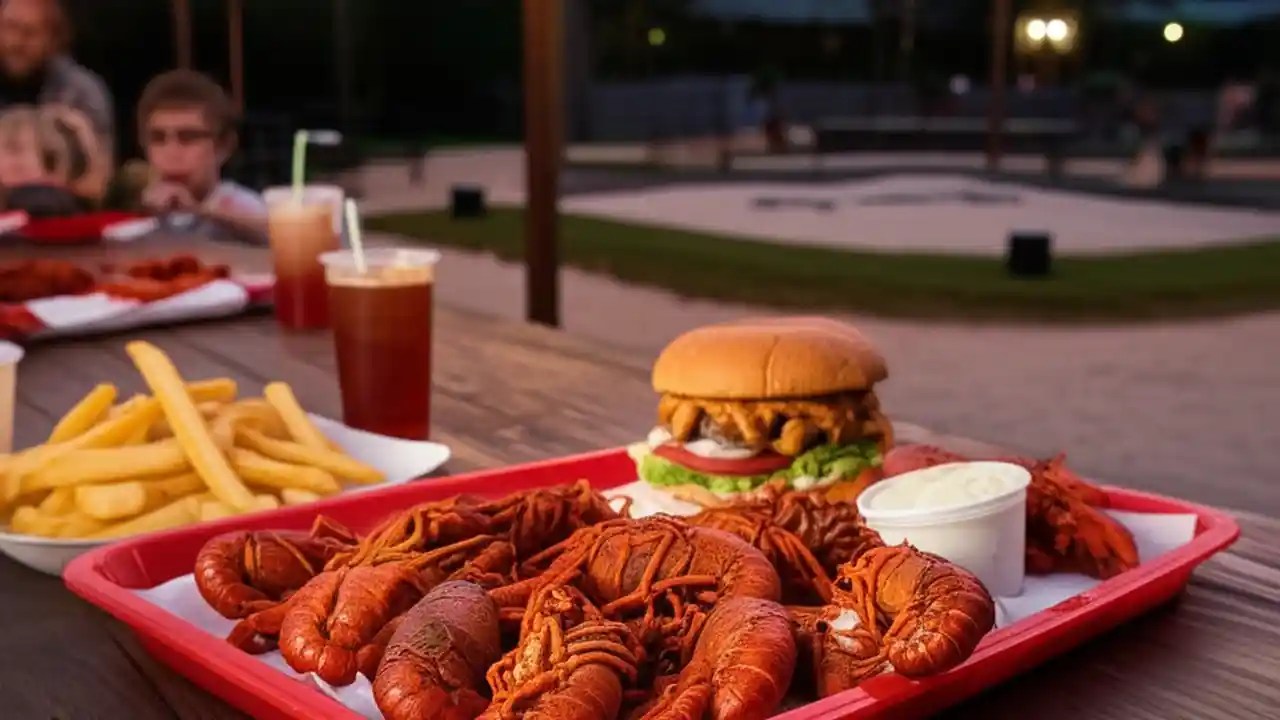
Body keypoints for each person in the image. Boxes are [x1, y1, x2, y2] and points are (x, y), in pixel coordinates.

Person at [136, 70, 266, 243]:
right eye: (158, 138)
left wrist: (200, 210)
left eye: (188, 137)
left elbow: (277, 234)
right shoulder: (144, 206)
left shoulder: (239, 204)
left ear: (223, 147)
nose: (172, 153)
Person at [0, 0, 113, 176]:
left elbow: (98, 175)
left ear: (52, 40)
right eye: (9, 28)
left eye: (29, 33)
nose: (15, 42)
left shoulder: (80, 91)